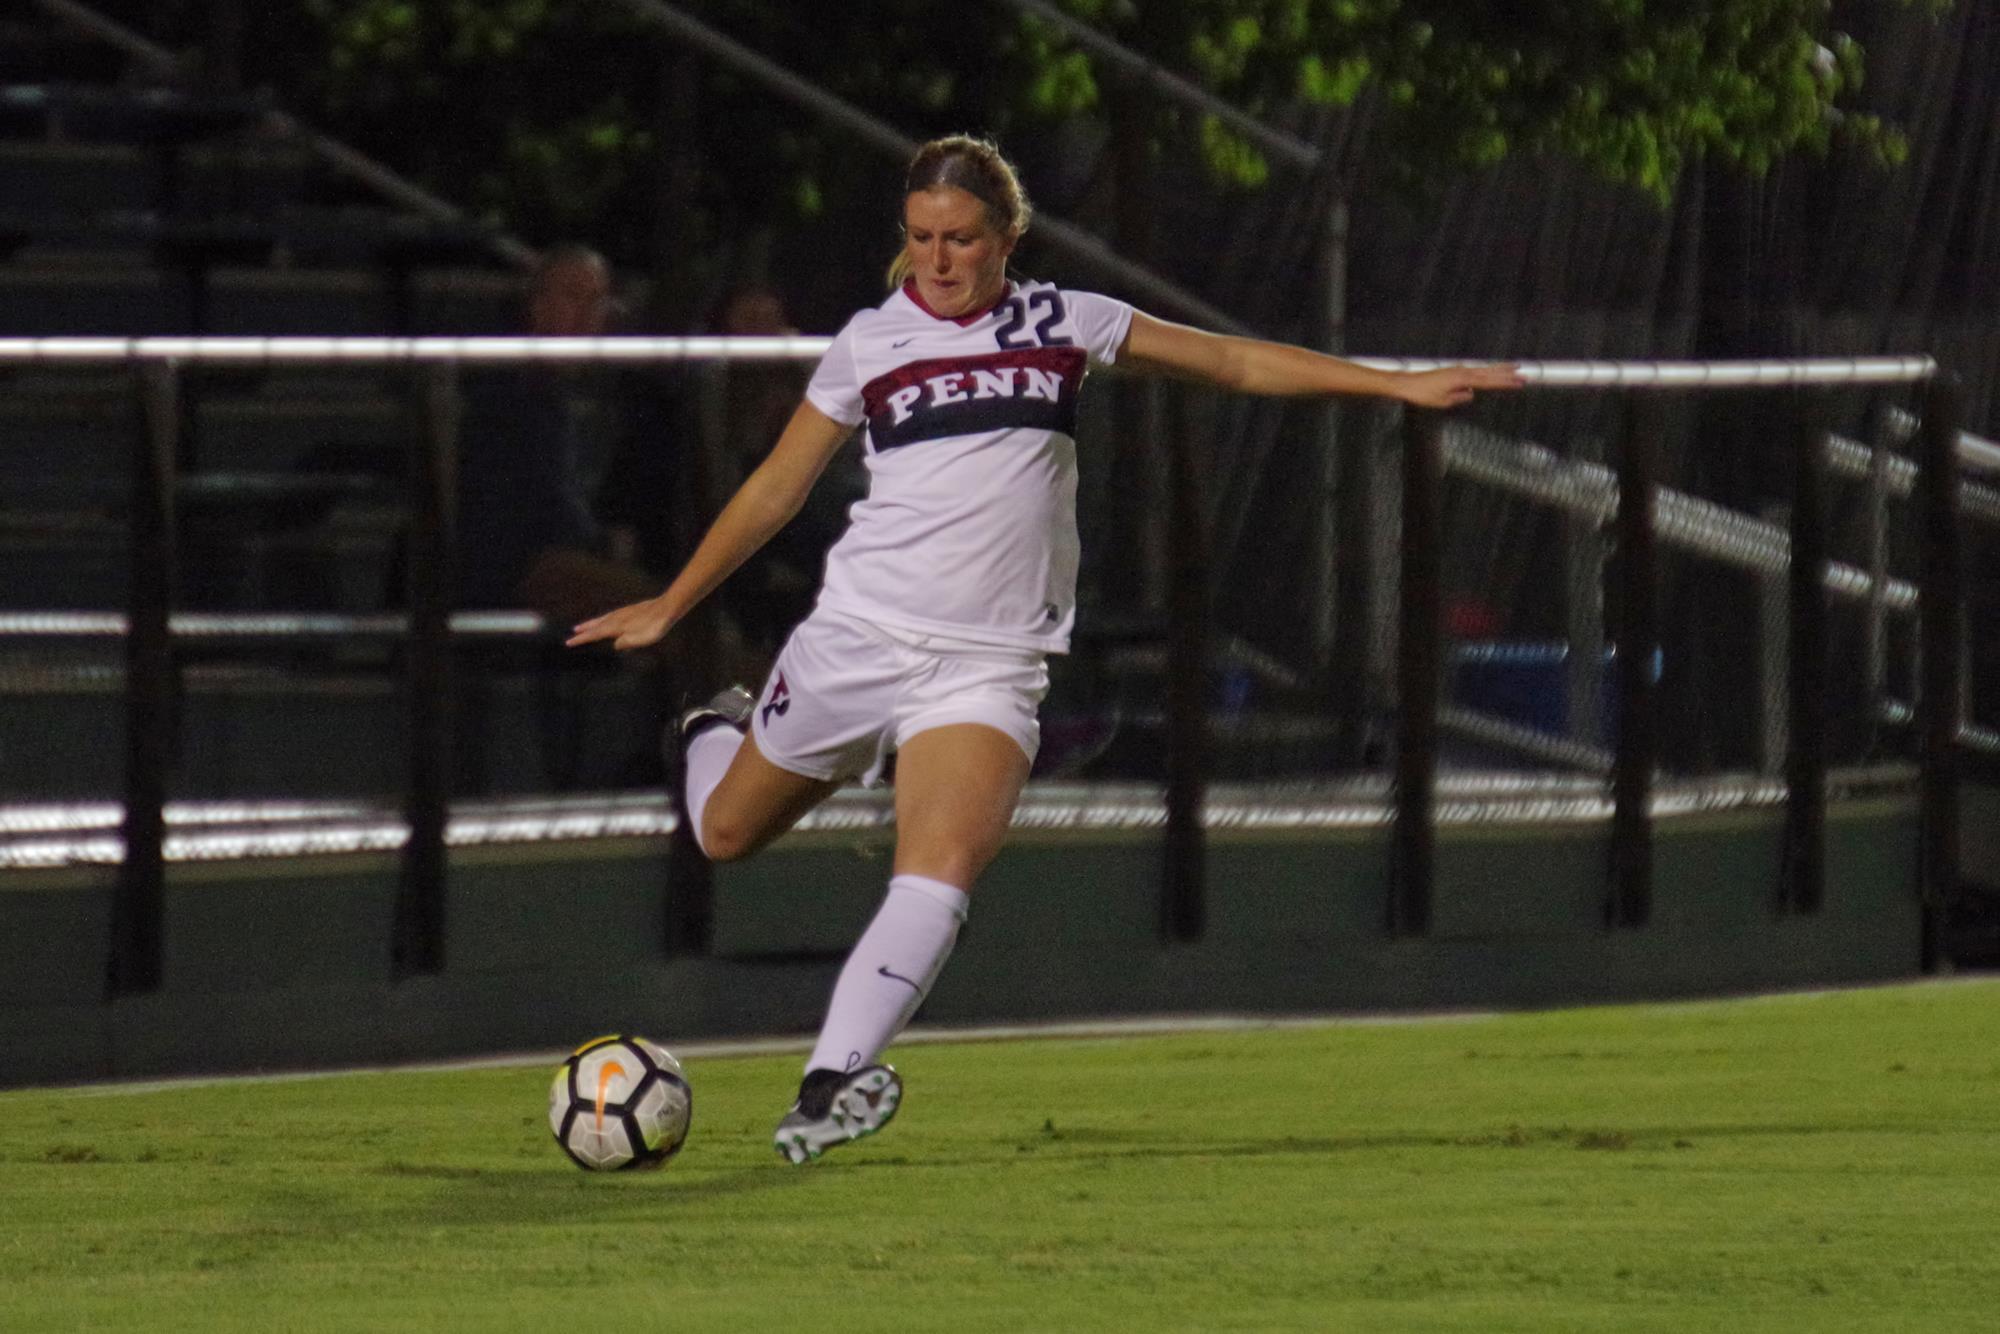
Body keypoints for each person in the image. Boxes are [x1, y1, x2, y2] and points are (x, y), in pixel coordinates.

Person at [567, 135, 1523, 1164]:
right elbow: (775, 487)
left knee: (934, 869)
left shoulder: (1066, 321)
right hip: (856, 638)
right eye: (922, 238)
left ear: (1006, 236)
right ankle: (713, 721)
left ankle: (828, 1083)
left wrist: (1395, 384)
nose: (939, 259)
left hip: (987, 663)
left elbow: (1232, 360)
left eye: (961, 239)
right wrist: (674, 599)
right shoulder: (869, 341)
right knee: (720, 835)